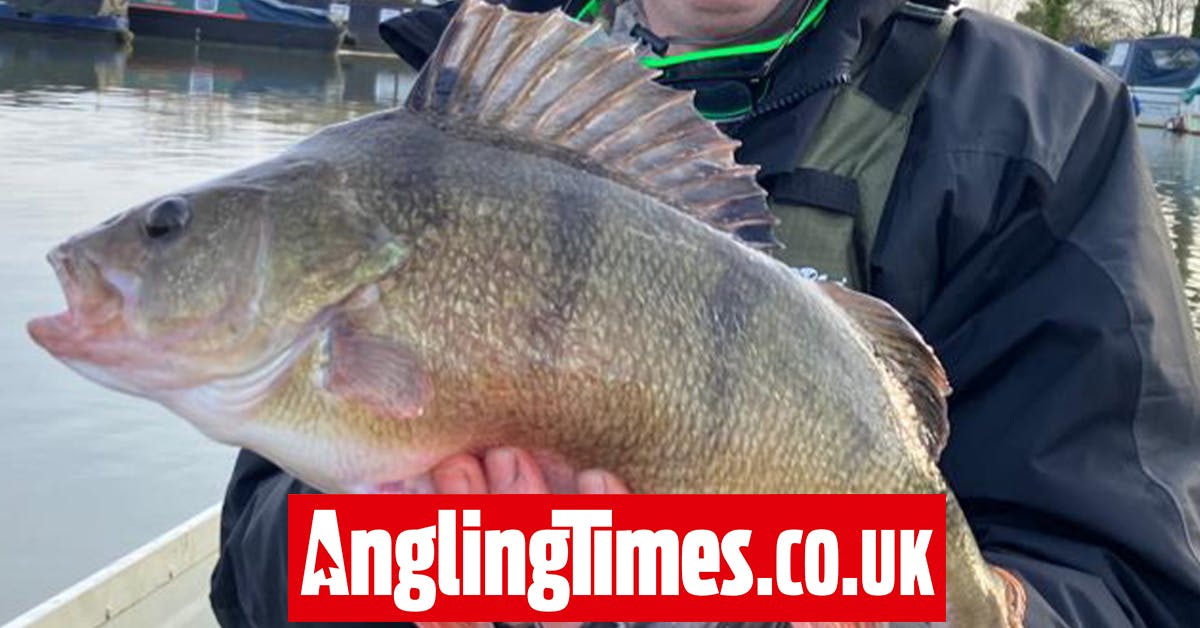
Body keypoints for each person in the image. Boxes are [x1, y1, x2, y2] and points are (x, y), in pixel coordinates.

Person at [208, 0, 1200, 626]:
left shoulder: (1035, 129)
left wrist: (891, 599)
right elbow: (257, 579)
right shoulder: (463, 110)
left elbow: (1128, 581)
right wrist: (418, 564)